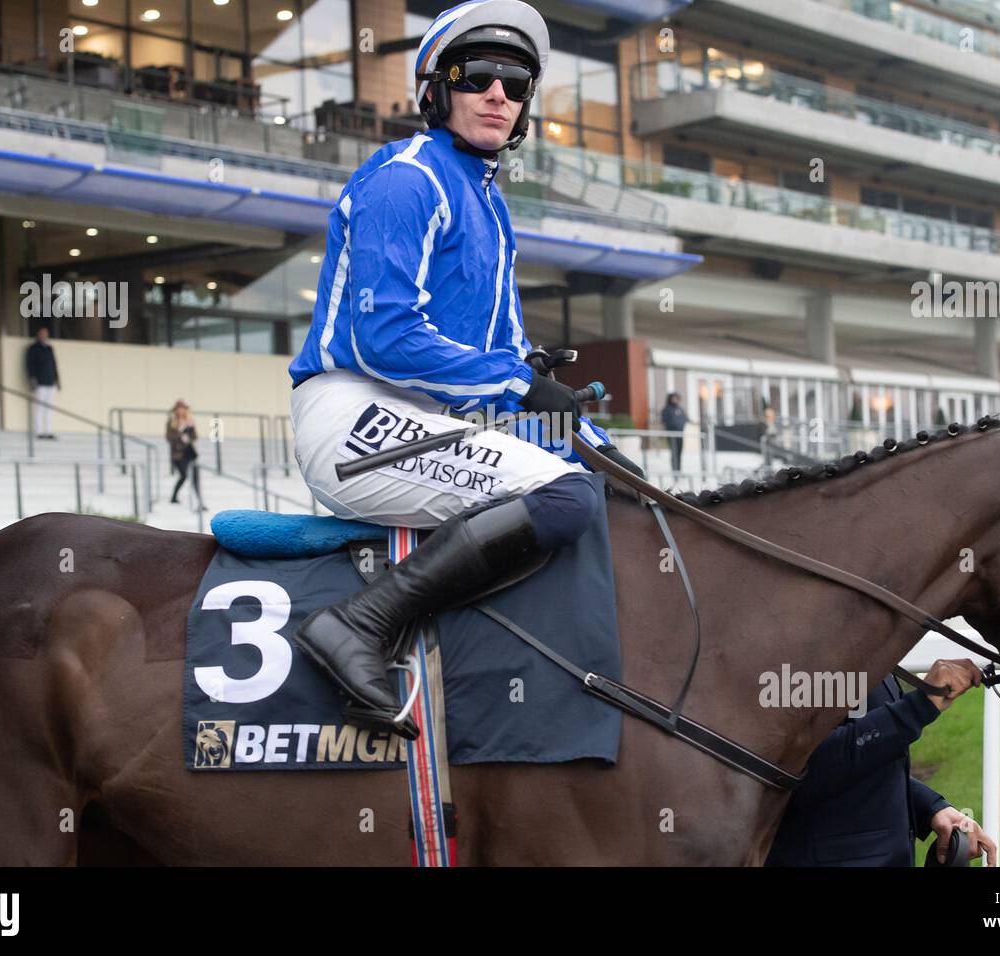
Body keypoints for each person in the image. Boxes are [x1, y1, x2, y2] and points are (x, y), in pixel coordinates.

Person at [287, 0, 643, 737]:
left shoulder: (491, 206)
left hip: (429, 418)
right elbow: (384, 336)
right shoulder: (406, 180)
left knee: (619, 488)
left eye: (515, 85)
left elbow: (505, 360)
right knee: (568, 500)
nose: (497, 95)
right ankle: (358, 623)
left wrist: (554, 404)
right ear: (436, 90)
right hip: (352, 416)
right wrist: (516, 383)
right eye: (476, 76)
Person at [766, 660, 998, 867]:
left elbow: (869, 761)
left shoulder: (864, 641)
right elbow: (799, 768)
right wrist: (916, 708)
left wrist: (931, 807)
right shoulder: (796, 649)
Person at [166, 400, 205, 510]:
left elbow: (194, 437)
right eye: (179, 409)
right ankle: (173, 497)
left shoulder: (189, 422)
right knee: (183, 475)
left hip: (189, 453)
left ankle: (200, 502)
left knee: (195, 478)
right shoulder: (171, 422)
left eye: (183, 409)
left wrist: (189, 429)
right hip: (178, 454)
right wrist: (180, 432)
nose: (181, 411)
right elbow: (169, 437)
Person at [26, 326, 61, 439]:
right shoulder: (33, 348)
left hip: (50, 382)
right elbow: (30, 365)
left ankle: (48, 431)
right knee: (39, 408)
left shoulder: (49, 348)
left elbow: (54, 365)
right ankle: (39, 432)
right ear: (38, 335)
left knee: (49, 408)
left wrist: (57, 379)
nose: (44, 336)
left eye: (46, 334)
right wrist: (32, 379)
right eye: (42, 334)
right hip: (40, 382)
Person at [660, 391, 688, 472]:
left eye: (677, 398)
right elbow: (664, 421)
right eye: (674, 398)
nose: (676, 400)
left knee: (679, 452)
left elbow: (685, 419)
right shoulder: (667, 409)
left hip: (680, 434)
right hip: (671, 434)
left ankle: (679, 470)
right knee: (674, 452)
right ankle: (674, 470)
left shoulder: (680, 409)